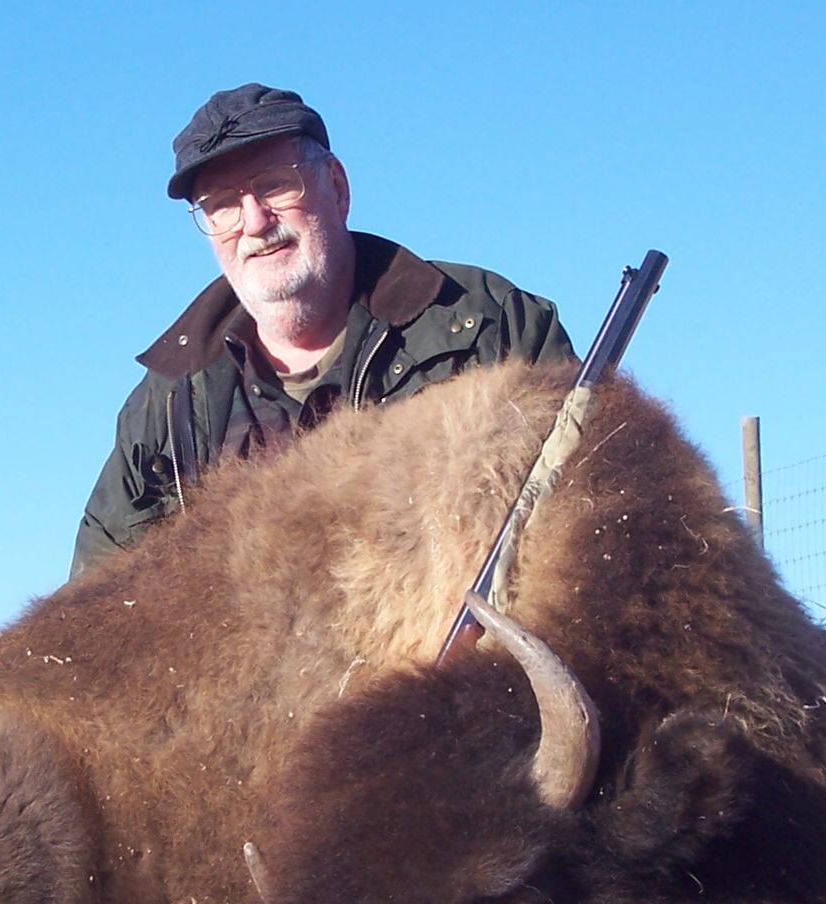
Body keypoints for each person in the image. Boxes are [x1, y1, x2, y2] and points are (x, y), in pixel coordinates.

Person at [70, 84, 575, 578]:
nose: (254, 221)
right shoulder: (163, 407)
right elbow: (94, 617)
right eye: (221, 204)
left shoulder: (488, 323)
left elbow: (585, 519)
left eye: (275, 184)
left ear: (336, 187)